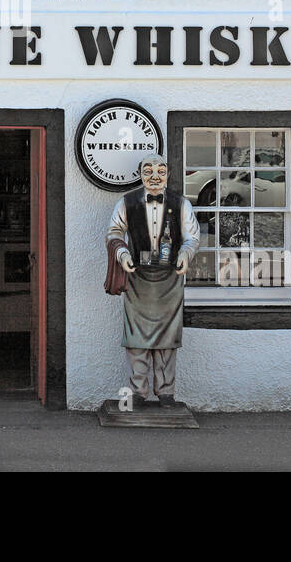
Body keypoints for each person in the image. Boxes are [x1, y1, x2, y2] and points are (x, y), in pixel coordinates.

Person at [105, 154, 198, 407]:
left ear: (167, 174)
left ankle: (166, 393)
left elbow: (192, 236)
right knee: (136, 339)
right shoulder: (127, 202)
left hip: (170, 279)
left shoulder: (181, 204)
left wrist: (185, 254)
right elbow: (114, 232)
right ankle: (138, 392)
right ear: (140, 173)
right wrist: (122, 254)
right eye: (148, 170)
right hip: (137, 278)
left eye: (160, 171)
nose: (155, 176)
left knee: (168, 339)